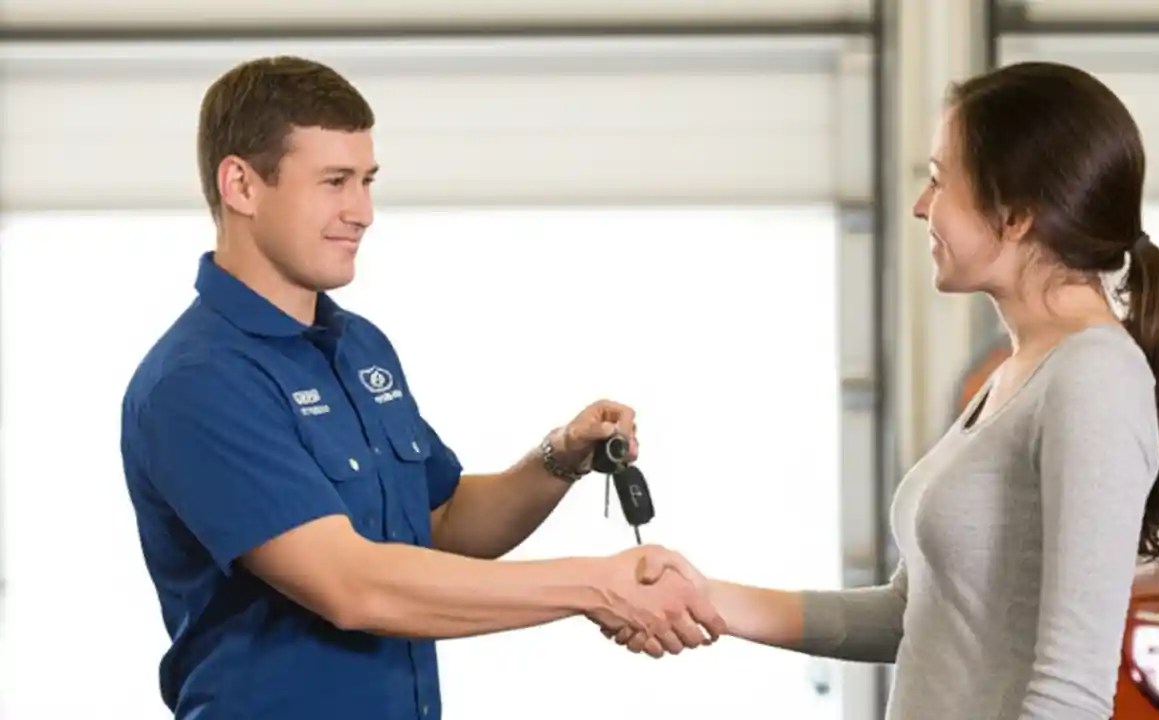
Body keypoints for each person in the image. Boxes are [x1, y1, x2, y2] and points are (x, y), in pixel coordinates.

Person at [607, 62, 1159, 718]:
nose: (920, 206)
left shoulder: (1094, 377)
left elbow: (1071, 694)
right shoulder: (1020, 375)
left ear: (1014, 215)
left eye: (938, 180)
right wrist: (707, 598)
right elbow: (916, 616)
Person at [118, 55, 723, 720]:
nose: (363, 212)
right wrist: (595, 586)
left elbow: (440, 523)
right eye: (335, 182)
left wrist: (560, 457)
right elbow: (353, 586)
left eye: (368, 181)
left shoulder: (358, 348)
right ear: (241, 184)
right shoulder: (197, 384)